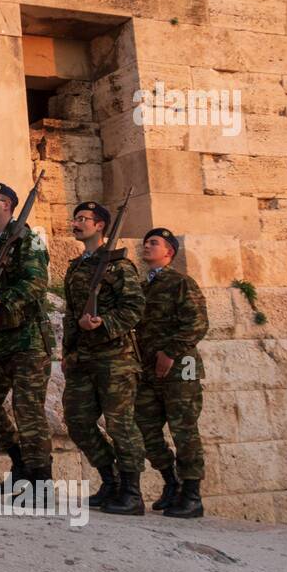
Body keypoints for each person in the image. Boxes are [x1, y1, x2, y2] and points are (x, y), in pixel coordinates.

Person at [62, 201, 146, 515]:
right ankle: (109, 479)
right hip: (83, 358)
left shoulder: (120, 266)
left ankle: (131, 491)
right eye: (76, 218)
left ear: (100, 226)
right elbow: (72, 314)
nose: (77, 222)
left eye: (84, 219)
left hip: (115, 358)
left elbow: (134, 308)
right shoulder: (76, 266)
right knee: (78, 421)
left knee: (120, 424)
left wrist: (105, 324)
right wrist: (68, 351)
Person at [0, 182, 54, 500]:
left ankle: (41, 482)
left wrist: (4, 300)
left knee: (28, 410)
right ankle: (21, 464)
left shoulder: (28, 240)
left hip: (27, 341)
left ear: (8, 205)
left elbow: (36, 283)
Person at [134, 228, 209, 518]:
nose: (147, 246)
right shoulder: (143, 287)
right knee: (145, 427)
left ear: (169, 252)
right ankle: (170, 481)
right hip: (149, 370)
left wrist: (169, 353)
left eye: (154, 243)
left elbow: (197, 324)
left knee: (184, 430)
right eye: (146, 242)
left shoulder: (181, 283)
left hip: (181, 368)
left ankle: (192, 494)